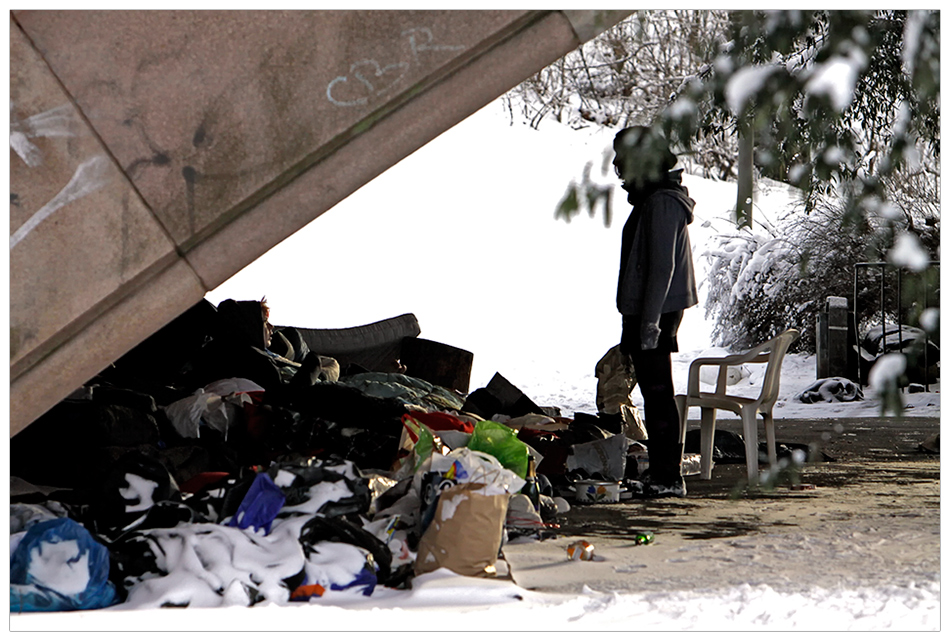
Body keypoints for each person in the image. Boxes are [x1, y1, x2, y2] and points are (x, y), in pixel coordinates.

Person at [613, 126, 698, 498]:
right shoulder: (654, 199)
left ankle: (667, 476)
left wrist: (647, 323)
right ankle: (662, 472)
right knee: (654, 392)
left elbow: (660, 268)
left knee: (659, 392)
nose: (619, 169)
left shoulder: (662, 202)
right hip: (650, 311)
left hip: (657, 313)